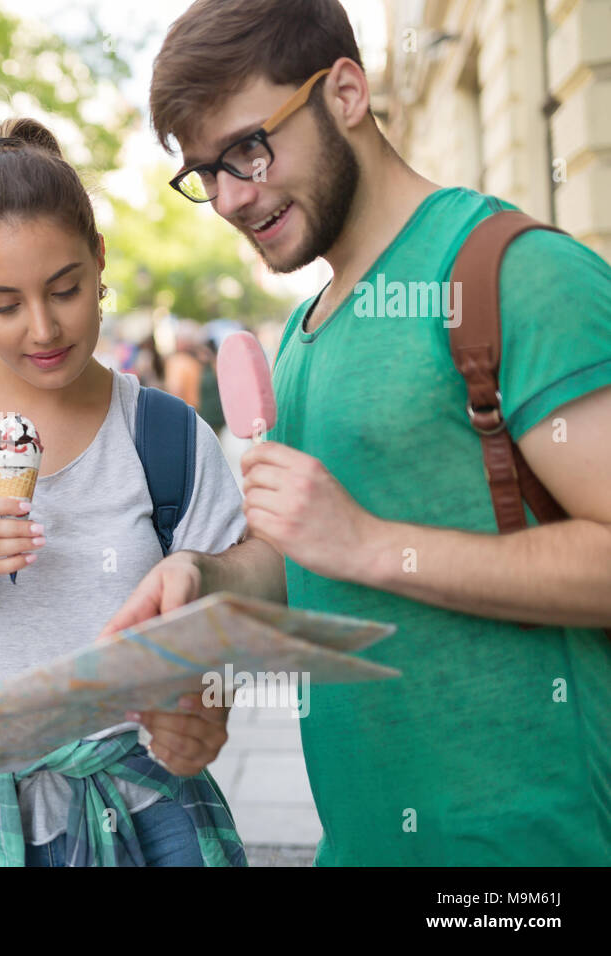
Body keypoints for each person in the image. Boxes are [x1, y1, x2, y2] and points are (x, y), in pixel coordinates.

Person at [108, 0, 611, 865]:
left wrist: (375, 543)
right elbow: (302, 557)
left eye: (247, 149)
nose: (230, 196)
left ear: (344, 91)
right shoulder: (303, 338)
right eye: (205, 173)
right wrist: (206, 584)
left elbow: (357, 542)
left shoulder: (515, 272)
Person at [0, 118, 248, 867]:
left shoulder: (168, 436)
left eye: (66, 289)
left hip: (144, 813)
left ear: (98, 261)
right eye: (4, 304)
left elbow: (229, 626)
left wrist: (207, 708)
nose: (44, 327)